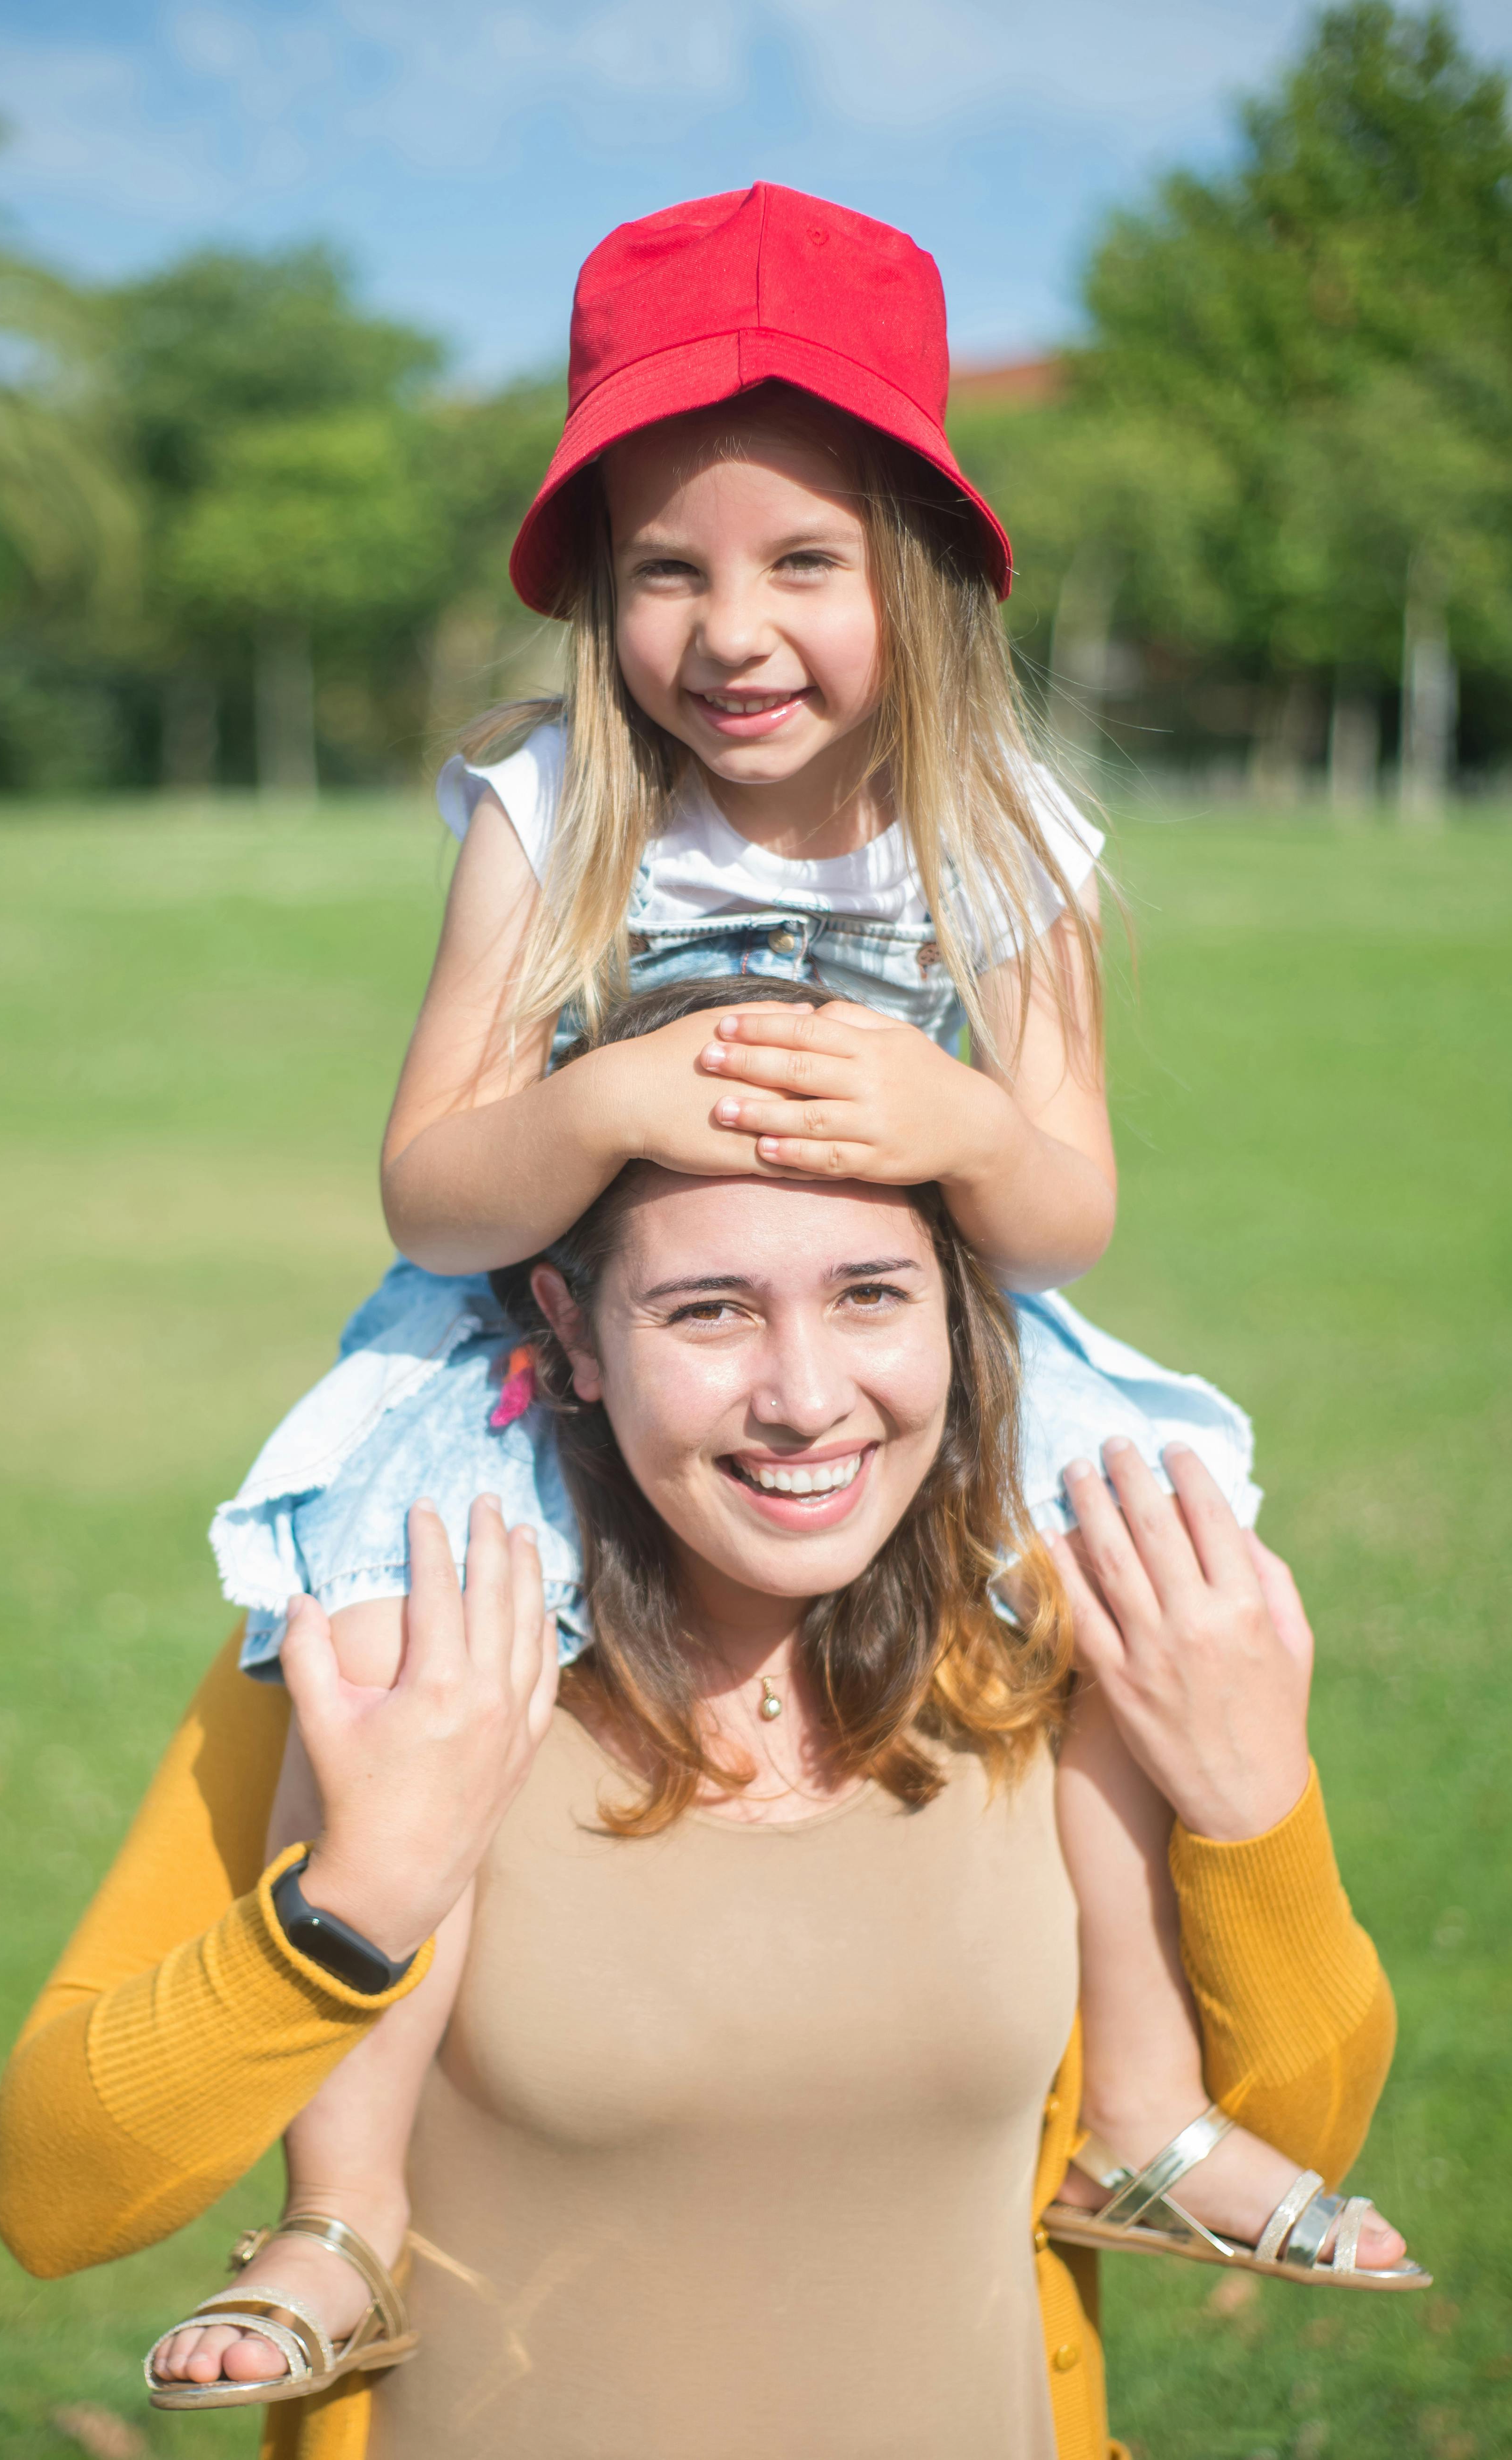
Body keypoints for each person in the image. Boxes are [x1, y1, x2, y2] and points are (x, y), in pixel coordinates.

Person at [177, 185, 1422, 2386]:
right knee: (378, 1621)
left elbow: (1055, 1215)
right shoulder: (554, 806)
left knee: (1124, 1557)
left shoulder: (1003, 828)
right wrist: (608, 1100)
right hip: (545, 1341)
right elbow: (436, 1183)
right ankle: (346, 2214)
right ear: (593, 594)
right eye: (665, 566)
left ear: (915, 574)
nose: (728, 628)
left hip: (900, 1331)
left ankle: (1132, 2109)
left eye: (798, 562)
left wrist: (958, 1134)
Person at [0, 1105, 1412, 2459]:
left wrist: (1249, 1806)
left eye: (870, 1295)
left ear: (961, 1318)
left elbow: (1284, 2143)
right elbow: (57, 2197)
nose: (804, 1399)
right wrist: (353, 1902)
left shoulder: (1062, 1644)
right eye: (708, 1311)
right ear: (574, 1335)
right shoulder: (385, 1666)